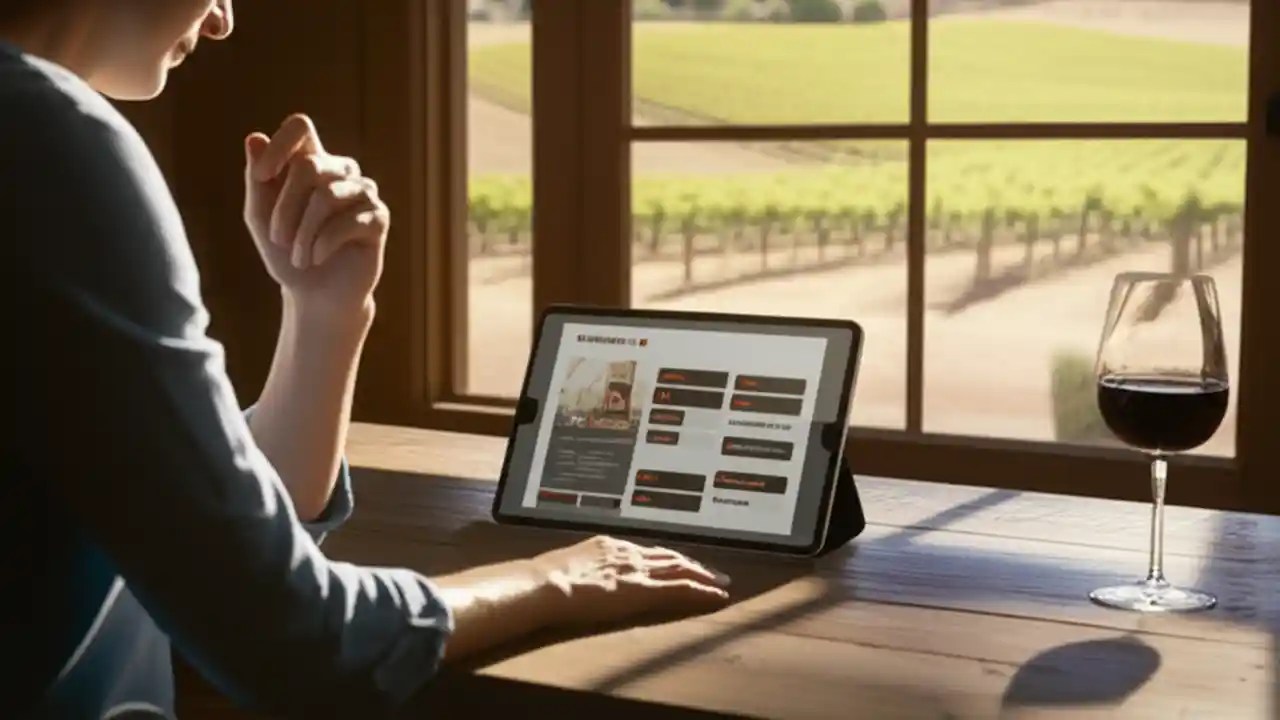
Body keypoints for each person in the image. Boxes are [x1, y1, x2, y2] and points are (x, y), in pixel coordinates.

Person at [2, 1, 731, 717]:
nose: (224, 17)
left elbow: (215, 549)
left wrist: (325, 313)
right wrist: (553, 581)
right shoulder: (50, 140)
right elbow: (288, 638)